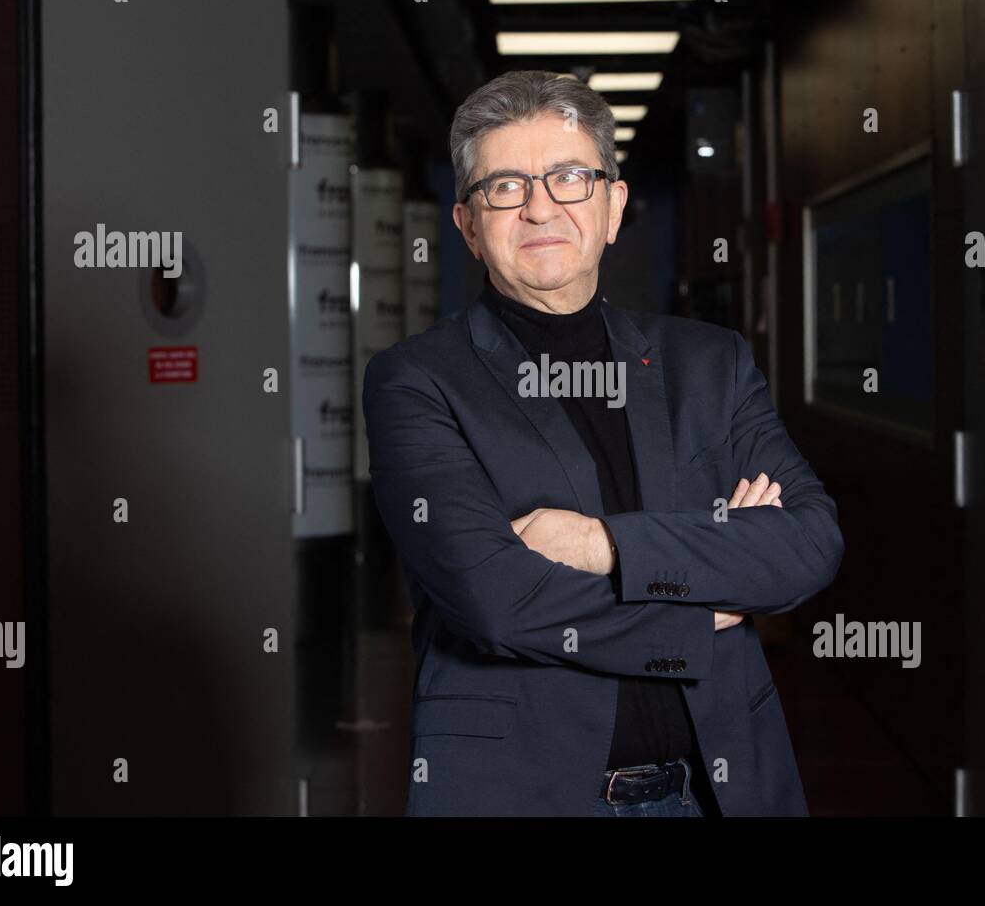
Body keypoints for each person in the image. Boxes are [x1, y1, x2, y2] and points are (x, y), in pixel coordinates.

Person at [362, 70, 844, 816]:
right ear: (467, 224)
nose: (540, 207)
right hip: (527, 794)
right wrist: (706, 598)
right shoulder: (417, 382)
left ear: (614, 207)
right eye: (505, 186)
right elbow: (498, 601)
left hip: (718, 789)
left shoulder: (708, 364)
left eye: (569, 177)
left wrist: (601, 546)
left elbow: (808, 542)